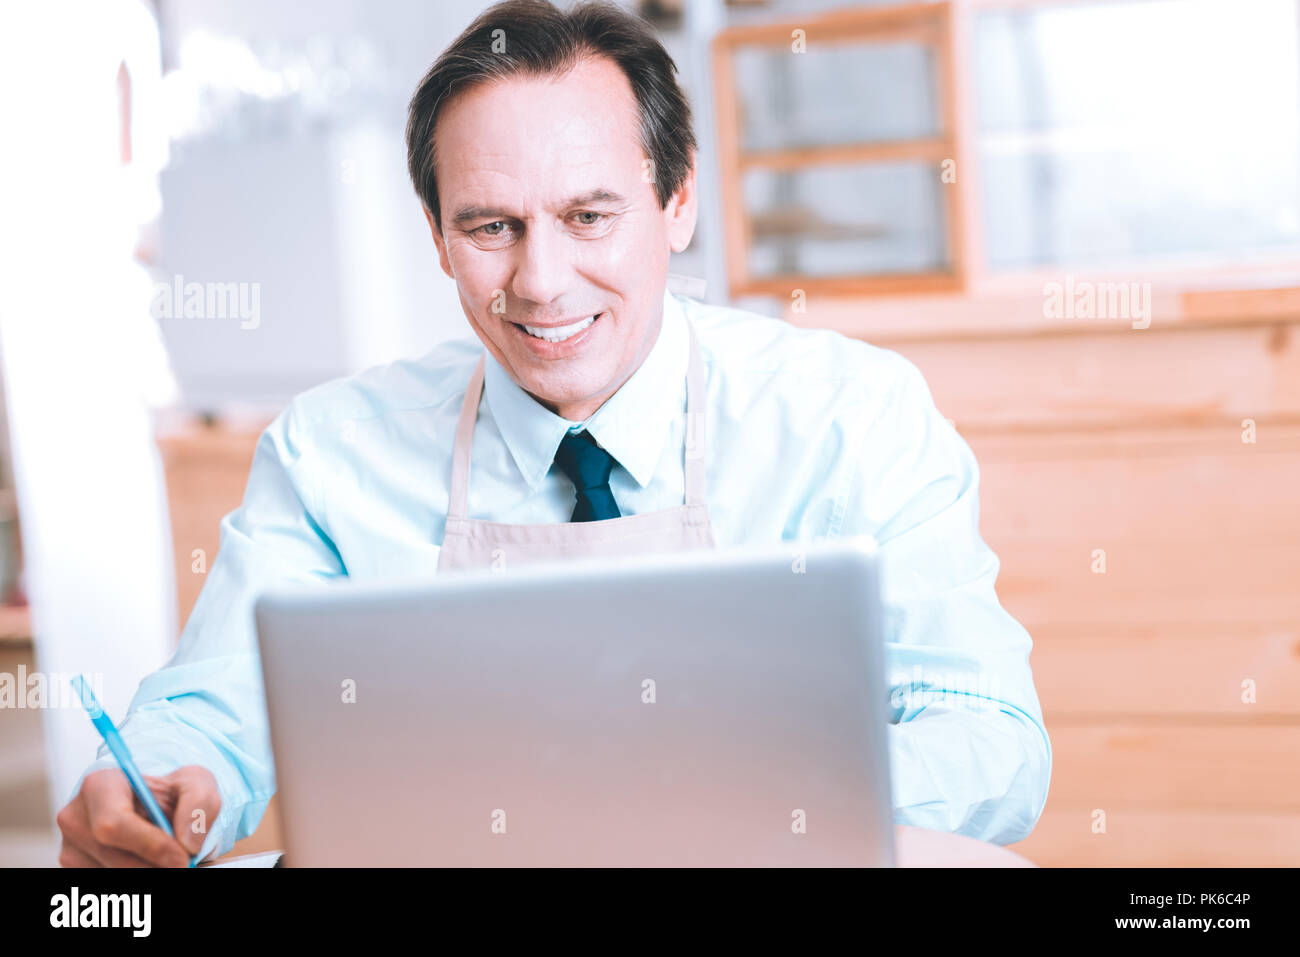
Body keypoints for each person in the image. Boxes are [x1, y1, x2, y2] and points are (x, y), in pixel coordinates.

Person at [57, 0, 1051, 867]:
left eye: (587, 216)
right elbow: (214, 705)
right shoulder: (330, 452)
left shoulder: (850, 415)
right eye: (492, 227)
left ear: (677, 200)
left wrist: (691, 804)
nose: (540, 281)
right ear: (439, 237)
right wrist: (152, 781)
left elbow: (989, 741)